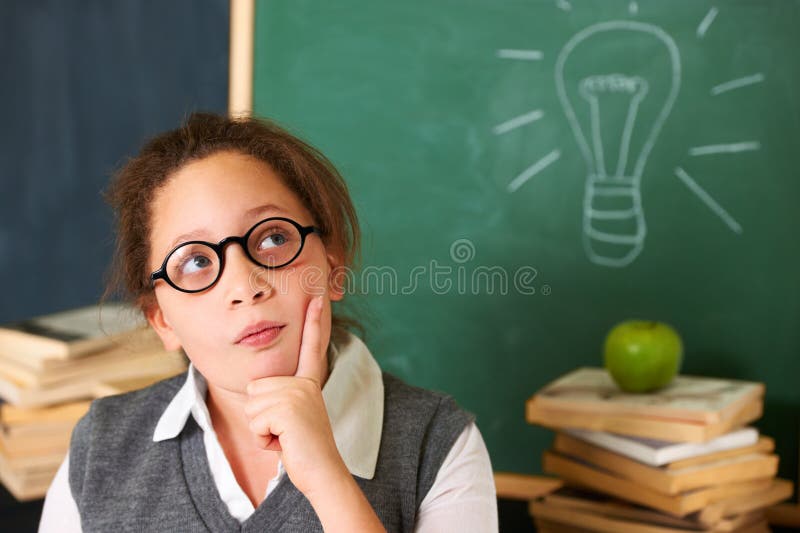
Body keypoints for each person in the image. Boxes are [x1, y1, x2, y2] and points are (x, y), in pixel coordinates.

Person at [38, 113, 497, 532]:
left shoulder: (437, 444)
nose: (245, 285)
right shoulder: (102, 447)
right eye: (195, 261)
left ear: (333, 267)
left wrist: (325, 476)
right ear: (162, 321)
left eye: (273, 237)